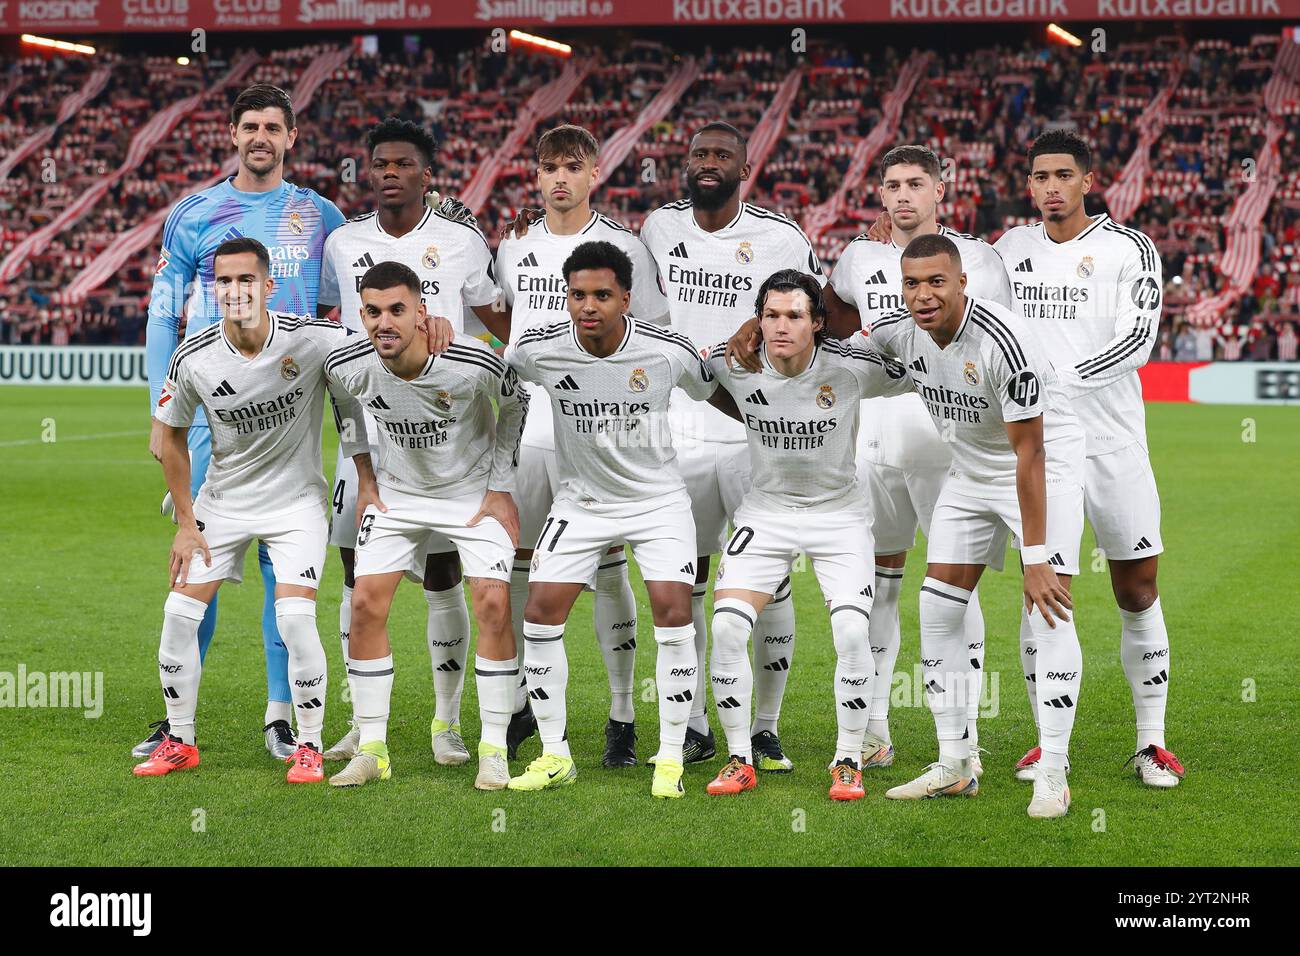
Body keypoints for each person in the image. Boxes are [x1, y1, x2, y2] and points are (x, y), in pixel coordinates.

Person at [726, 144, 1013, 775]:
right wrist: (754, 328)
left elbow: (992, 347)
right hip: (871, 439)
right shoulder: (858, 256)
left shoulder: (978, 258)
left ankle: (960, 739)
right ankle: (875, 728)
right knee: (878, 588)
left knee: (953, 590)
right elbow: (819, 324)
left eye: (916, 184)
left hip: (946, 436)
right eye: (892, 185)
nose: (904, 196)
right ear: (880, 194)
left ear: (942, 189)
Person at [141, 83, 345, 760]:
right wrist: (159, 409)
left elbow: (334, 319)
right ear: (233, 134)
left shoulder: (319, 216)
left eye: (273, 127)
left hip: (287, 409)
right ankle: (176, 721)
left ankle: (280, 712)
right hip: (208, 414)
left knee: (280, 569)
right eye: (250, 125)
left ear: (292, 137)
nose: (261, 137)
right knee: (193, 558)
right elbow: (162, 313)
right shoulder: (193, 213)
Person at [503, 240, 739, 799]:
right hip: (581, 503)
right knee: (539, 613)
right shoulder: (542, 350)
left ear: (626, 298)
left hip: (658, 503)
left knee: (674, 610)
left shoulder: (666, 350)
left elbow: (717, 392)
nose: (588, 306)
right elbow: (497, 375)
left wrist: (773, 415)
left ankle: (671, 755)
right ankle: (556, 753)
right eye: (577, 294)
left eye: (602, 295)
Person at [870, 233, 1087, 819]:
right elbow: (840, 343)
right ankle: (956, 763)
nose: (923, 294)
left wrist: (1035, 556)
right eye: (912, 282)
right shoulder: (898, 331)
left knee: (1049, 606)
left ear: (962, 282)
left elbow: (1032, 456)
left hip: (1044, 469)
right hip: (969, 473)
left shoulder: (1005, 344)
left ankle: (1053, 769)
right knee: (938, 609)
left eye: (937, 281)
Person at [135, 237, 366, 785]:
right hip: (223, 501)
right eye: (224, 282)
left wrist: (433, 329)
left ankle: (308, 746)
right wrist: (187, 526)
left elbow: (380, 341)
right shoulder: (195, 357)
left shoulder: (311, 339)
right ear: (214, 292)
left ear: (267, 286)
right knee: (177, 618)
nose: (235, 291)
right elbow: (164, 440)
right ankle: (180, 740)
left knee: (294, 619)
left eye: (245, 281)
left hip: (296, 506)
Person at [995, 129, 1184, 787]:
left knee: (1137, 587)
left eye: (1063, 175)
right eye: (1040, 175)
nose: (1051, 187)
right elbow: (963, 294)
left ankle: (1151, 742)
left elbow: (1137, 340)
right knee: (1046, 593)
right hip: (1043, 447)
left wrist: (1051, 377)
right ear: (1029, 185)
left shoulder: (1128, 248)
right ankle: (1048, 744)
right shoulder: (1010, 248)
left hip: (1113, 441)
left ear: (1087, 179)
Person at [315, 117, 506, 769]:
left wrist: (457, 327)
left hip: (449, 434)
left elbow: (494, 319)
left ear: (427, 175)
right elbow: (328, 323)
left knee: (445, 572)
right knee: (354, 572)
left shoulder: (460, 242)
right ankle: (357, 722)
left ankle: (446, 724)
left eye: (402, 163)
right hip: (370, 423)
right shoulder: (342, 243)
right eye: (379, 163)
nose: (389, 172)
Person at [639, 121, 827, 771]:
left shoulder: (780, 237)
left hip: (757, 437)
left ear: (746, 166)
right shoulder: (657, 229)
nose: (709, 163)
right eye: (699, 154)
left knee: (769, 584)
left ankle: (766, 728)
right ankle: (693, 725)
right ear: (684, 164)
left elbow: (816, 319)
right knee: (682, 584)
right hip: (676, 434)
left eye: (722, 154)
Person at [494, 124, 670, 768]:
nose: (560, 178)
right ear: (535, 175)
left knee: (608, 563)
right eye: (548, 167)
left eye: (573, 166)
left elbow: (651, 333)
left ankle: (622, 715)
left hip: (602, 420)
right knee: (521, 560)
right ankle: (520, 707)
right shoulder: (514, 245)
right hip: (529, 419)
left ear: (595, 172)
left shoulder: (625, 247)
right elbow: (499, 315)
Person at [701, 269, 910, 802]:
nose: (781, 326)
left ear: (818, 323)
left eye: (795, 316)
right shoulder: (732, 362)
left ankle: (847, 759)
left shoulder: (850, 366)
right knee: (726, 629)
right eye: (770, 315)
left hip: (840, 516)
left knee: (849, 635)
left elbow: (919, 362)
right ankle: (739, 758)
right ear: (757, 320)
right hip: (765, 512)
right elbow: (681, 366)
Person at [324, 261, 528, 791]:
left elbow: (516, 401)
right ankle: (372, 748)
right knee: (365, 603)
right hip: (397, 495)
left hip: (470, 494)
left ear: (422, 311)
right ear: (361, 313)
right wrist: (364, 474)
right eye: (372, 311)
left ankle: (490, 746)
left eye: (397, 310)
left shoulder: (468, 359)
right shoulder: (349, 363)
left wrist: (501, 484)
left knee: (493, 604)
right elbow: (343, 403)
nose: (383, 323)